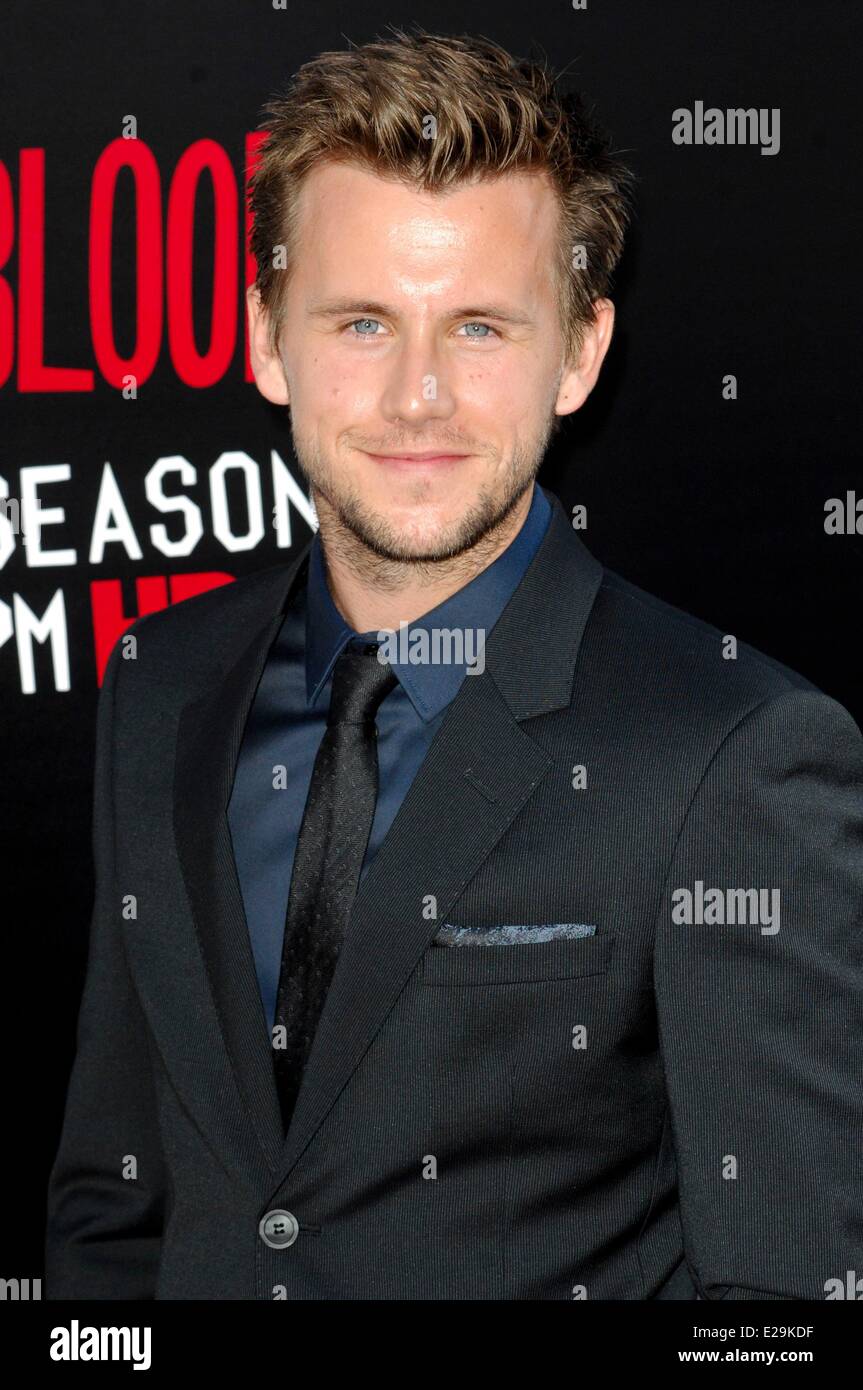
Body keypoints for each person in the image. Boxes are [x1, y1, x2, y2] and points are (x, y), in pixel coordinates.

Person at [46, 29, 863, 1301]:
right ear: (266, 339)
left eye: (479, 327)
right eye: (362, 320)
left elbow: (778, 1304)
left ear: (579, 353)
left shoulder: (732, 756)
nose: (418, 394)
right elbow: (115, 1193)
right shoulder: (160, 679)